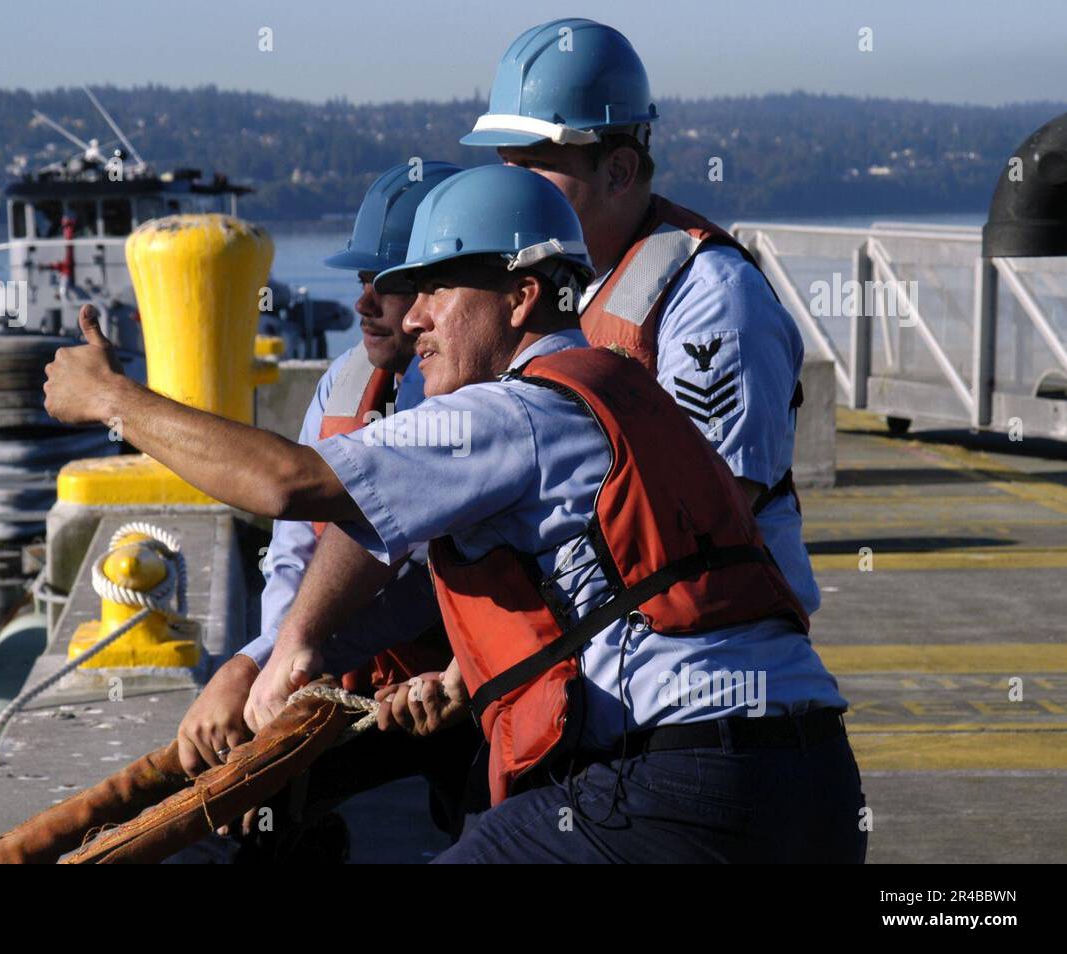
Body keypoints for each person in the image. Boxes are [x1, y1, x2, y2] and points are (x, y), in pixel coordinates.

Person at [43, 163, 866, 862]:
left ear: (520, 296)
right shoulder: (614, 391)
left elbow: (292, 482)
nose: (411, 316)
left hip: (681, 784)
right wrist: (316, 648)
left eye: (437, 286)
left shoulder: (514, 413)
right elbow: (388, 523)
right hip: (812, 779)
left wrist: (111, 399)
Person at [455, 17, 821, 615]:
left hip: (705, 659)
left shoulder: (714, 298)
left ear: (620, 171)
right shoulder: (552, 282)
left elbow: (707, 509)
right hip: (596, 648)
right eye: (504, 166)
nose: (511, 194)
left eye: (535, 167)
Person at [170, 160, 481, 855]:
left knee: (490, 816)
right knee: (250, 801)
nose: (364, 304)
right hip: (361, 688)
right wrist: (266, 669)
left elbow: (415, 584)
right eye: (361, 282)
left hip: (470, 691)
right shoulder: (344, 387)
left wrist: (267, 664)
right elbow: (294, 554)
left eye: (389, 285)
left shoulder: (482, 405)